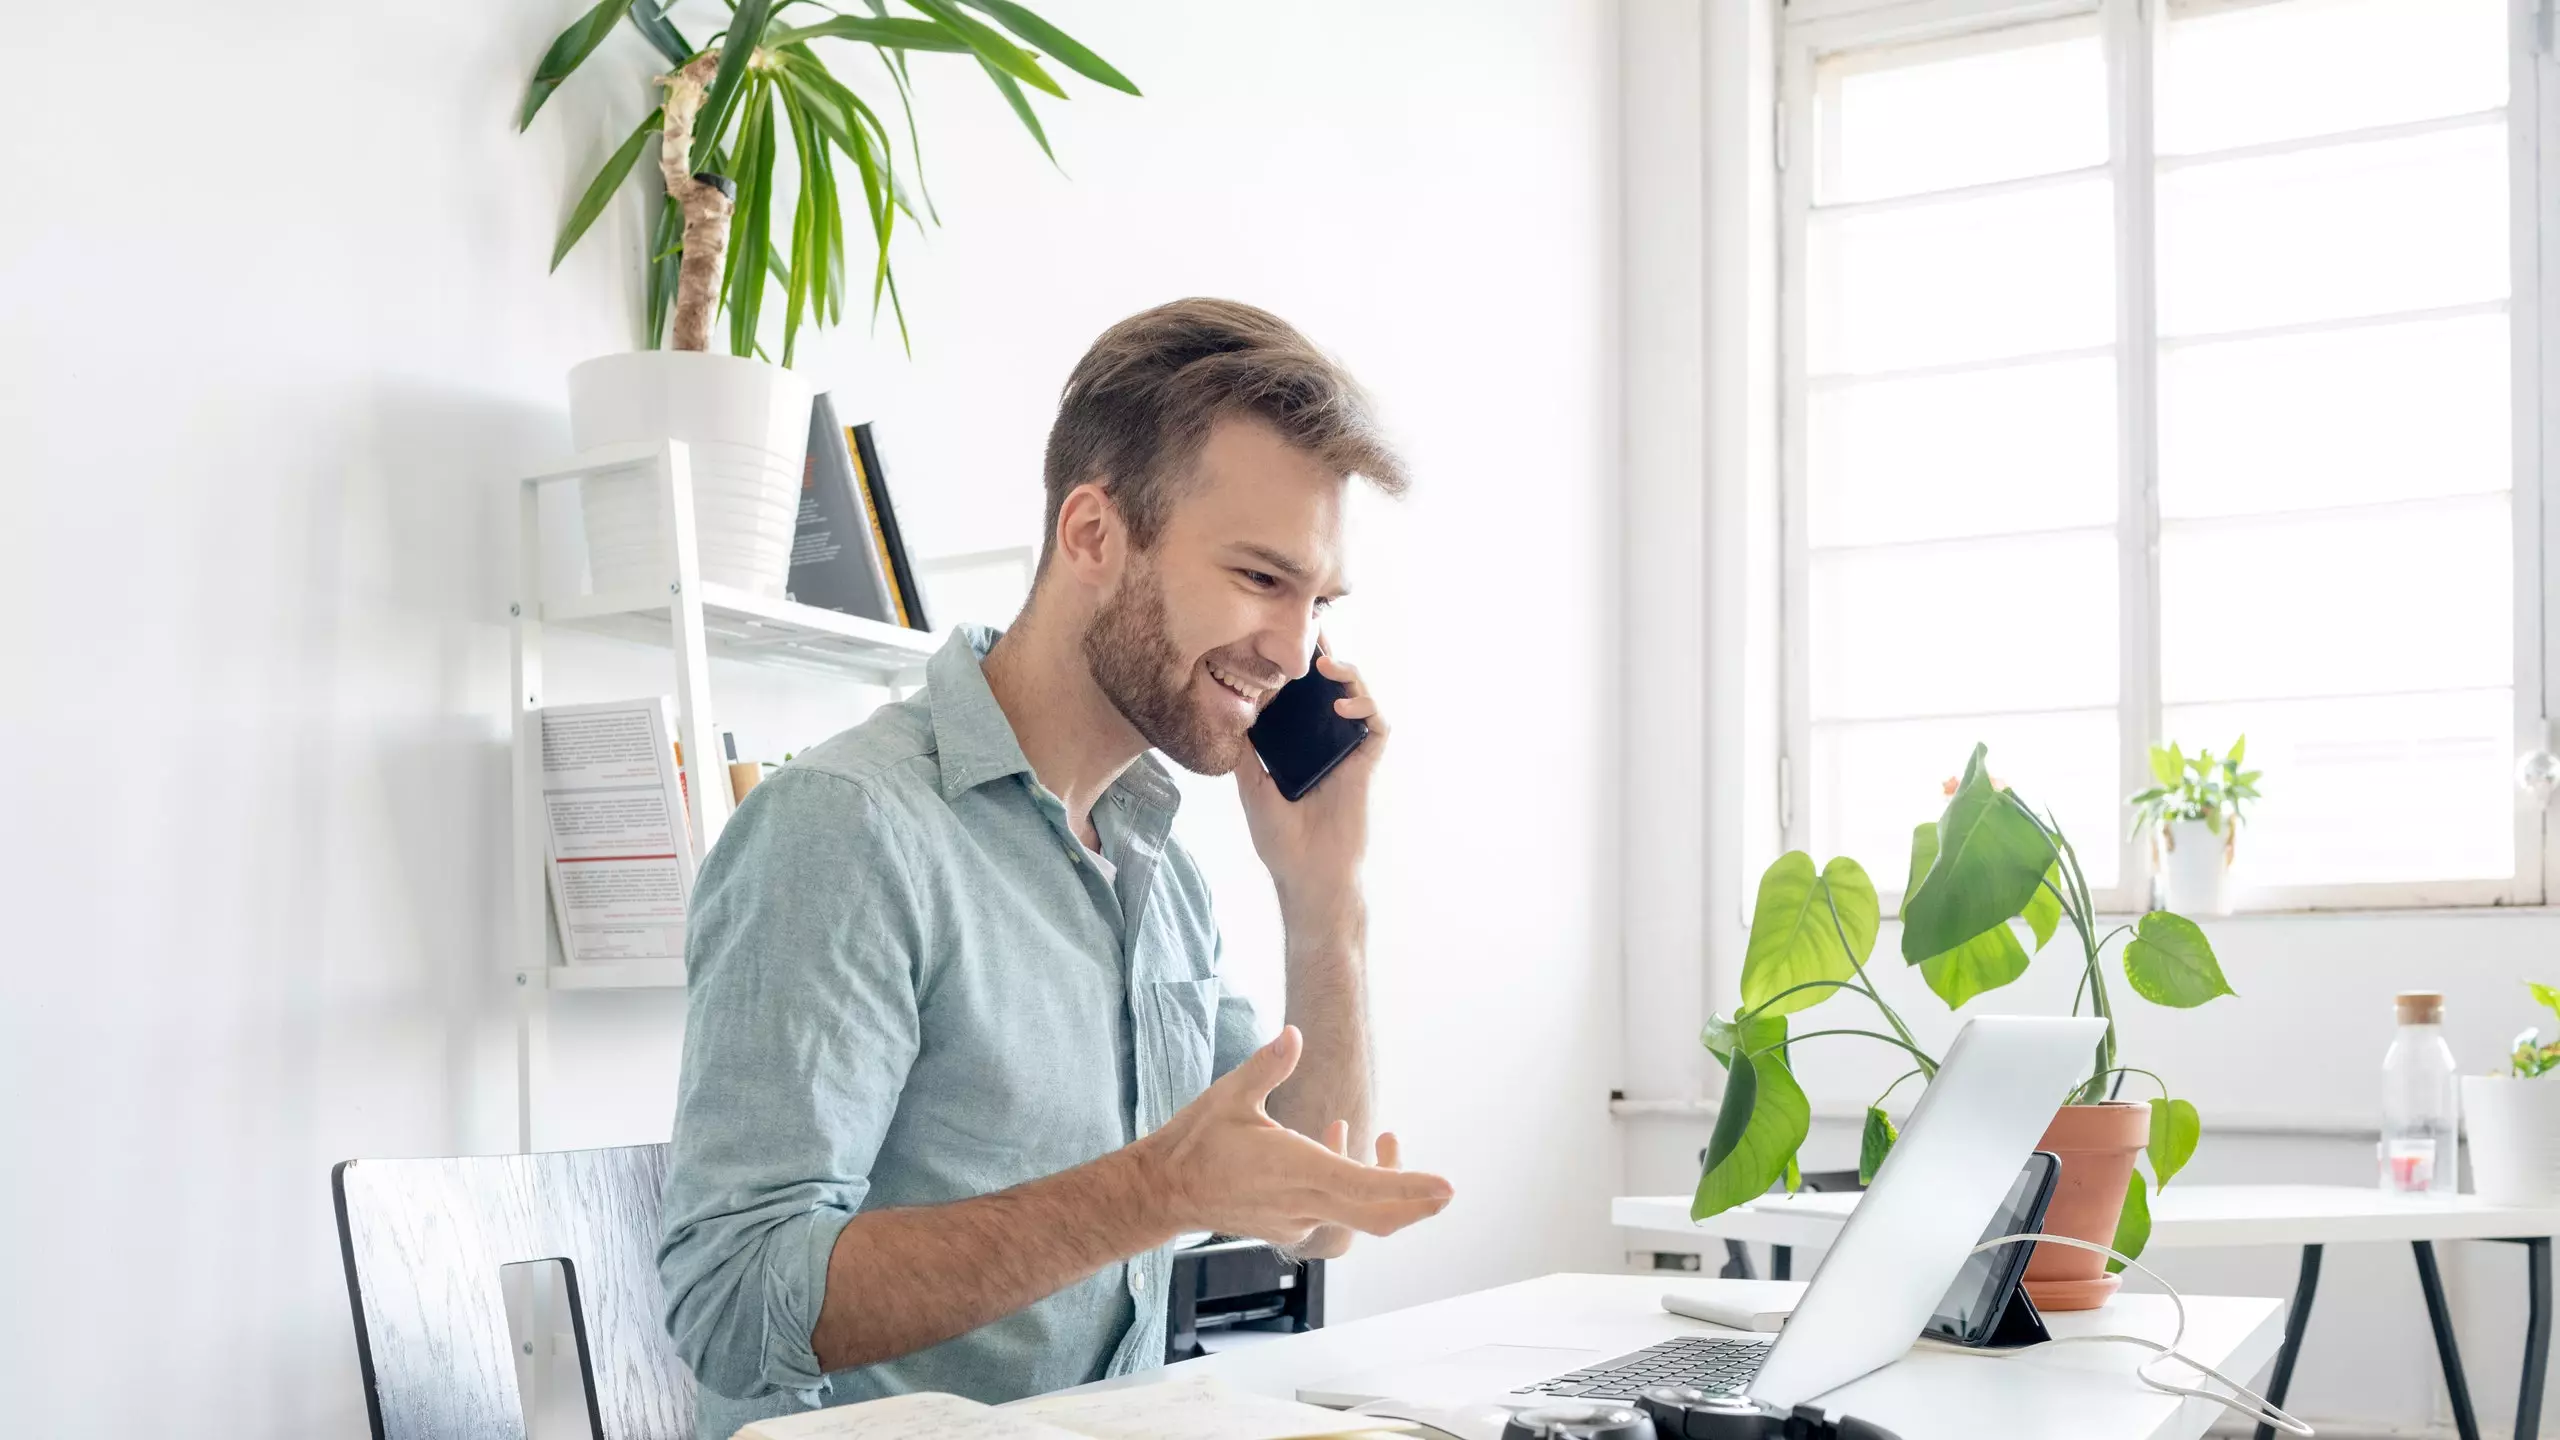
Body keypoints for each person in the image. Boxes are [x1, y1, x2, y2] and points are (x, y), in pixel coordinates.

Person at [657, 298, 1455, 1438]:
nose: (1292, 651)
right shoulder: (845, 829)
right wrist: (1154, 1192)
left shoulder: (1154, 867)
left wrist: (1325, 902)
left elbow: (1313, 1219)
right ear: (1092, 536)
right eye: (1257, 578)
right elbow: (734, 1304)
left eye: (1315, 601)